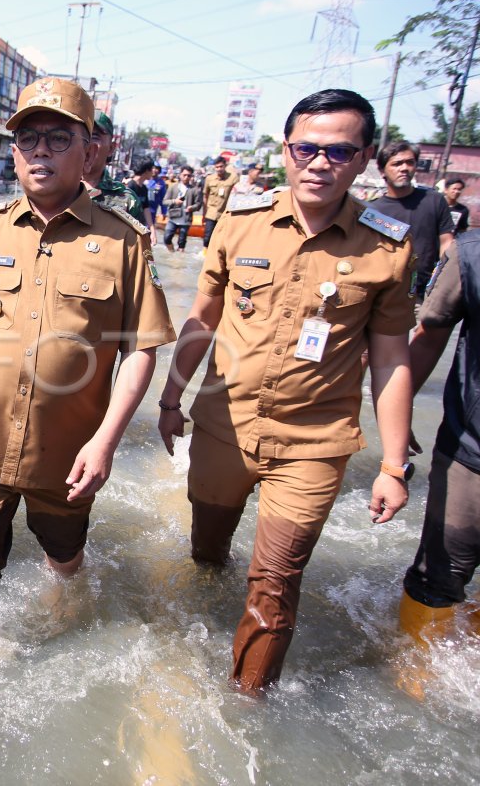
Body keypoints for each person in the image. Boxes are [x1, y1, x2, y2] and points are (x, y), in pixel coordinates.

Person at [157, 88, 415, 695]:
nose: (320, 162)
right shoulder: (240, 225)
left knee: (275, 582)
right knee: (207, 553)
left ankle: (245, 708)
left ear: (364, 157)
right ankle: (188, 645)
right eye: (307, 148)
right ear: (286, 150)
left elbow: (393, 360)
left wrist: (395, 466)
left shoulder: (388, 249)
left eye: (339, 151)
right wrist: (171, 402)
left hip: (313, 443)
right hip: (224, 424)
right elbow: (202, 318)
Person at [0, 76, 176, 646]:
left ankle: (68, 600)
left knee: (64, 555)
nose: (40, 151)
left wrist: (105, 443)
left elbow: (143, 349)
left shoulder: (125, 243)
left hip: (68, 451)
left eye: (57, 138)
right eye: (28, 140)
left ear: (88, 150)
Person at [398, 231, 480, 649]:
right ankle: (415, 678)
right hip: (472, 453)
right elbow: (429, 334)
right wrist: (398, 410)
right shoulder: (471, 254)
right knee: (439, 574)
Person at [369, 142, 454, 301]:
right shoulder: (373, 211)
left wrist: (443, 280)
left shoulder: (434, 200)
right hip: (383, 294)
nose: (404, 168)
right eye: (396, 163)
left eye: (410, 162)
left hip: (423, 293)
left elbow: (447, 243)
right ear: (382, 170)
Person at [200, 156, 239, 248]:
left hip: (225, 213)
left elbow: (237, 195)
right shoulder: (209, 179)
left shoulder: (233, 178)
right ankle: (206, 256)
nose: (219, 169)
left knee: (223, 239)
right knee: (207, 237)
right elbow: (205, 196)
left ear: (225, 166)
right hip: (211, 212)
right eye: (217, 167)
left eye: (221, 166)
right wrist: (204, 213)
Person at [162, 165, 200, 252]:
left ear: (191, 177)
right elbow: (164, 201)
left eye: (189, 175)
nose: (186, 177)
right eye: (184, 175)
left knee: (182, 243)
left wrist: (192, 208)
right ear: (180, 175)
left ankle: (178, 261)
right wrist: (174, 201)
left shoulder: (194, 190)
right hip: (173, 217)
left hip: (186, 220)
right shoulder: (173, 187)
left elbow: (198, 204)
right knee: (166, 238)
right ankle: (171, 253)